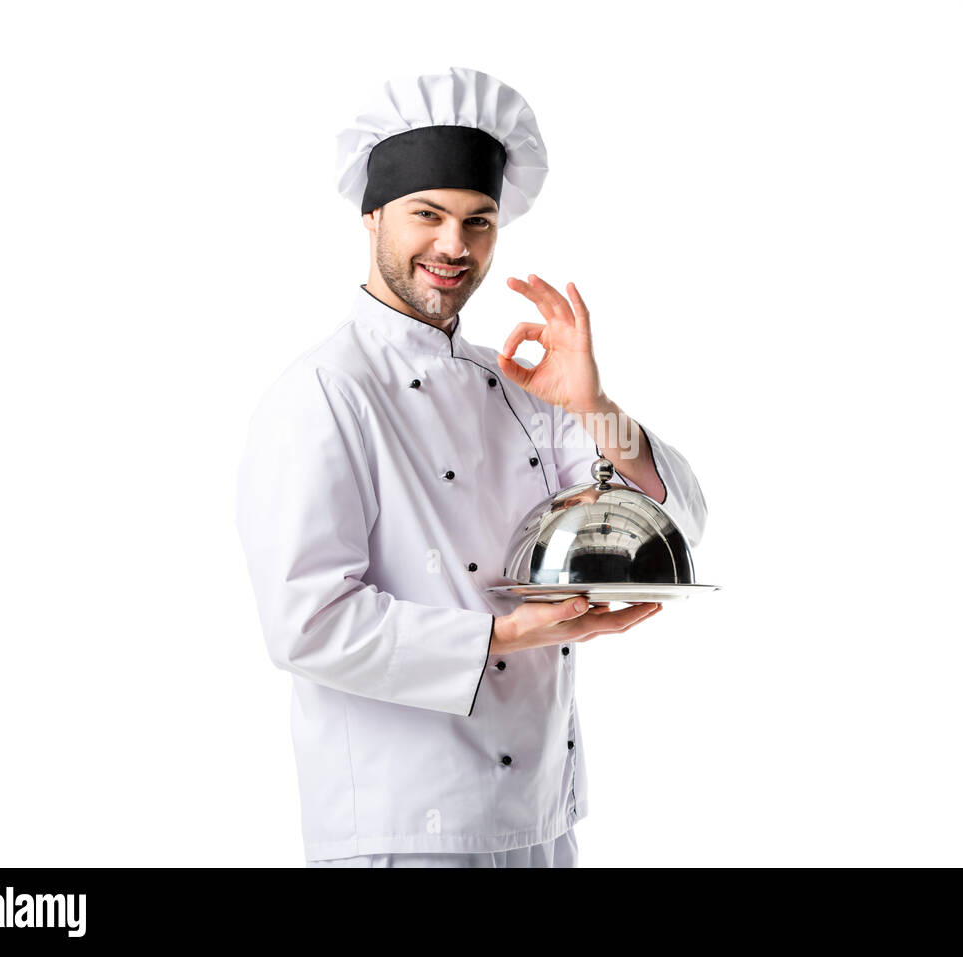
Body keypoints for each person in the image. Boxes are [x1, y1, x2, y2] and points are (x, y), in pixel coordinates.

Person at [234, 66, 709, 868]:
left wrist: (593, 402)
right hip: (401, 828)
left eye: (478, 221)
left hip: (540, 816)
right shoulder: (324, 392)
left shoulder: (515, 385)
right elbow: (306, 623)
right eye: (429, 215)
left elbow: (665, 527)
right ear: (373, 214)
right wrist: (507, 632)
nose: (454, 247)